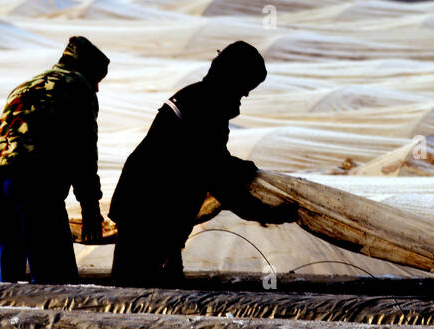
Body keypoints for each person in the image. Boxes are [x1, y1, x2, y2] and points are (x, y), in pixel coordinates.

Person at [109, 41, 295, 287]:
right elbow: (215, 175)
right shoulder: (207, 107)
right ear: (233, 77)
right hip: (148, 212)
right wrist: (267, 213)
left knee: (149, 287)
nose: (246, 94)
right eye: (245, 87)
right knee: (136, 293)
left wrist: (240, 168)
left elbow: (205, 157)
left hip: (146, 207)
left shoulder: (198, 97)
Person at [0, 36, 108, 283]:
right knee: (56, 283)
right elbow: (83, 151)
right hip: (33, 183)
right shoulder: (77, 85)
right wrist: (90, 209)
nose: (97, 88)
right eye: (97, 80)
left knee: (8, 281)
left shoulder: (24, 85)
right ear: (86, 70)